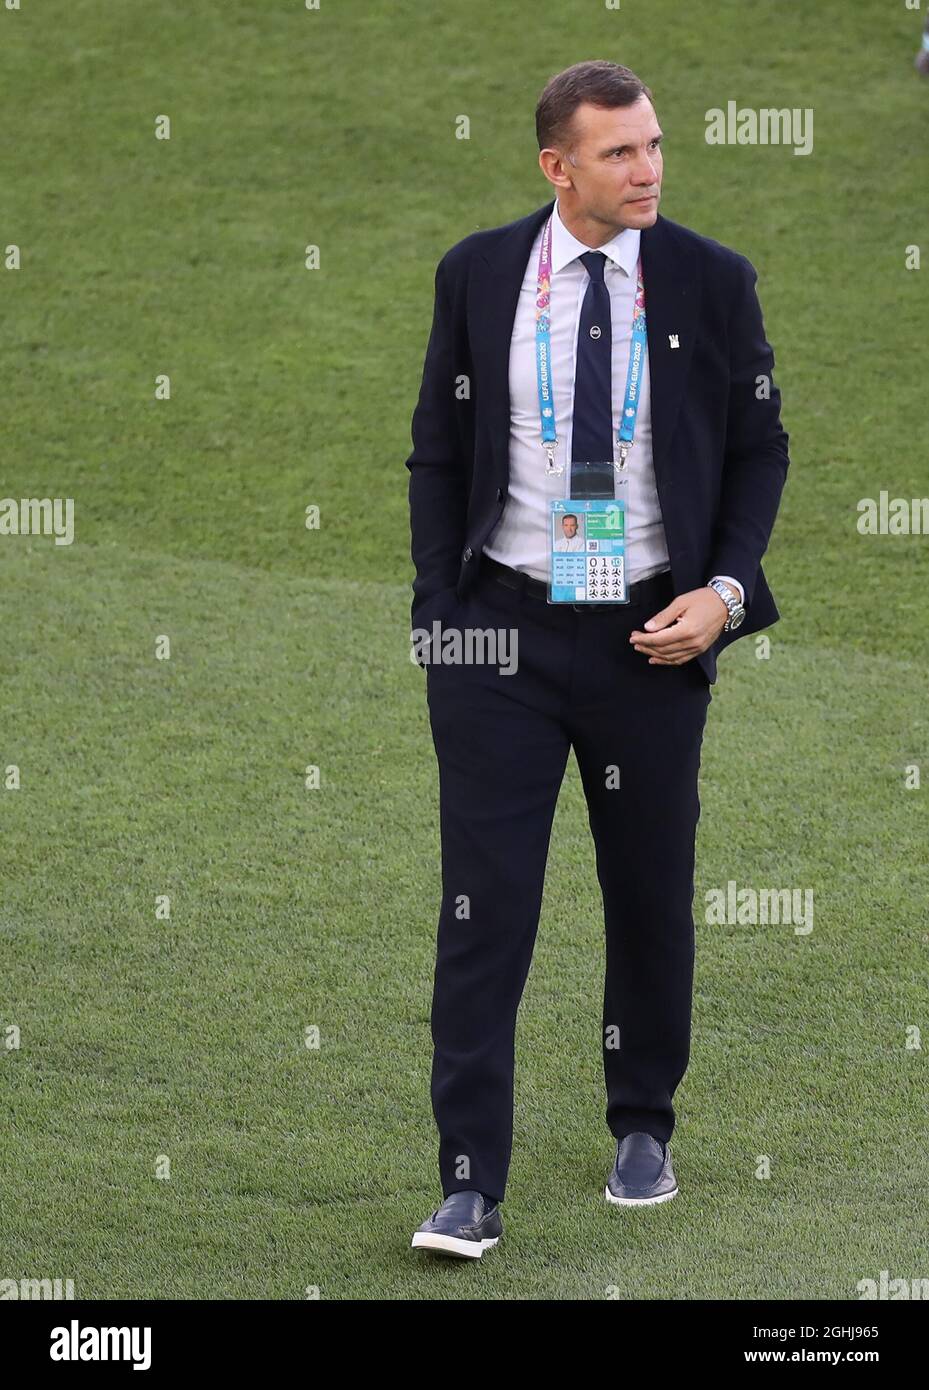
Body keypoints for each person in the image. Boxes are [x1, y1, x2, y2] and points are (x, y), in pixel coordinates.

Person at [406, 60, 789, 1259]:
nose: (648, 169)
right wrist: (438, 615)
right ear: (555, 166)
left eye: (654, 144)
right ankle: (467, 1182)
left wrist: (721, 595)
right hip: (499, 638)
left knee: (648, 888)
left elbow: (759, 450)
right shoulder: (478, 272)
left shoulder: (710, 280)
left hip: (646, 636)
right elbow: (436, 449)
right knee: (484, 908)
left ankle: (641, 1124)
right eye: (619, 152)